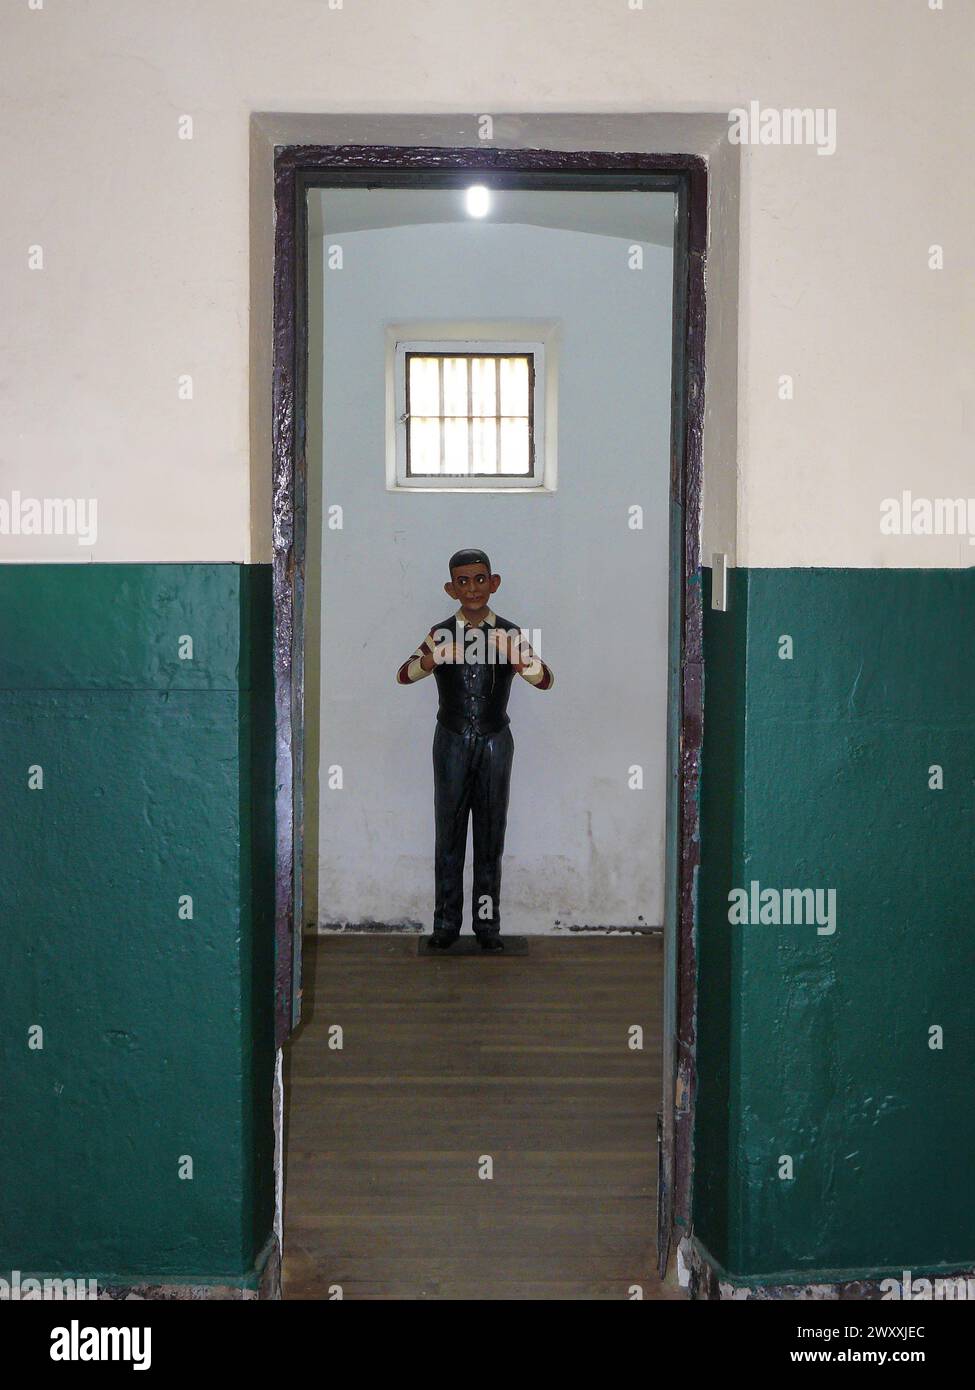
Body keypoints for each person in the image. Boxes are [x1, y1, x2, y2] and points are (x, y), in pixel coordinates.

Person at [396, 548, 554, 950]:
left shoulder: (510, 633)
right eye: (463, 581)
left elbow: (545, 679)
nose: (472, 588)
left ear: (494, 583)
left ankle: (487, 925)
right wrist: (433, 658)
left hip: (494, 739)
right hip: (450, 739)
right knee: (447, 832)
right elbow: (404, 674)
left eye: (480, 579)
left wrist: (517, 658)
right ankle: (445, 924)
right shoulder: (440, 632)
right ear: (451, 588)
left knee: (489, 834)